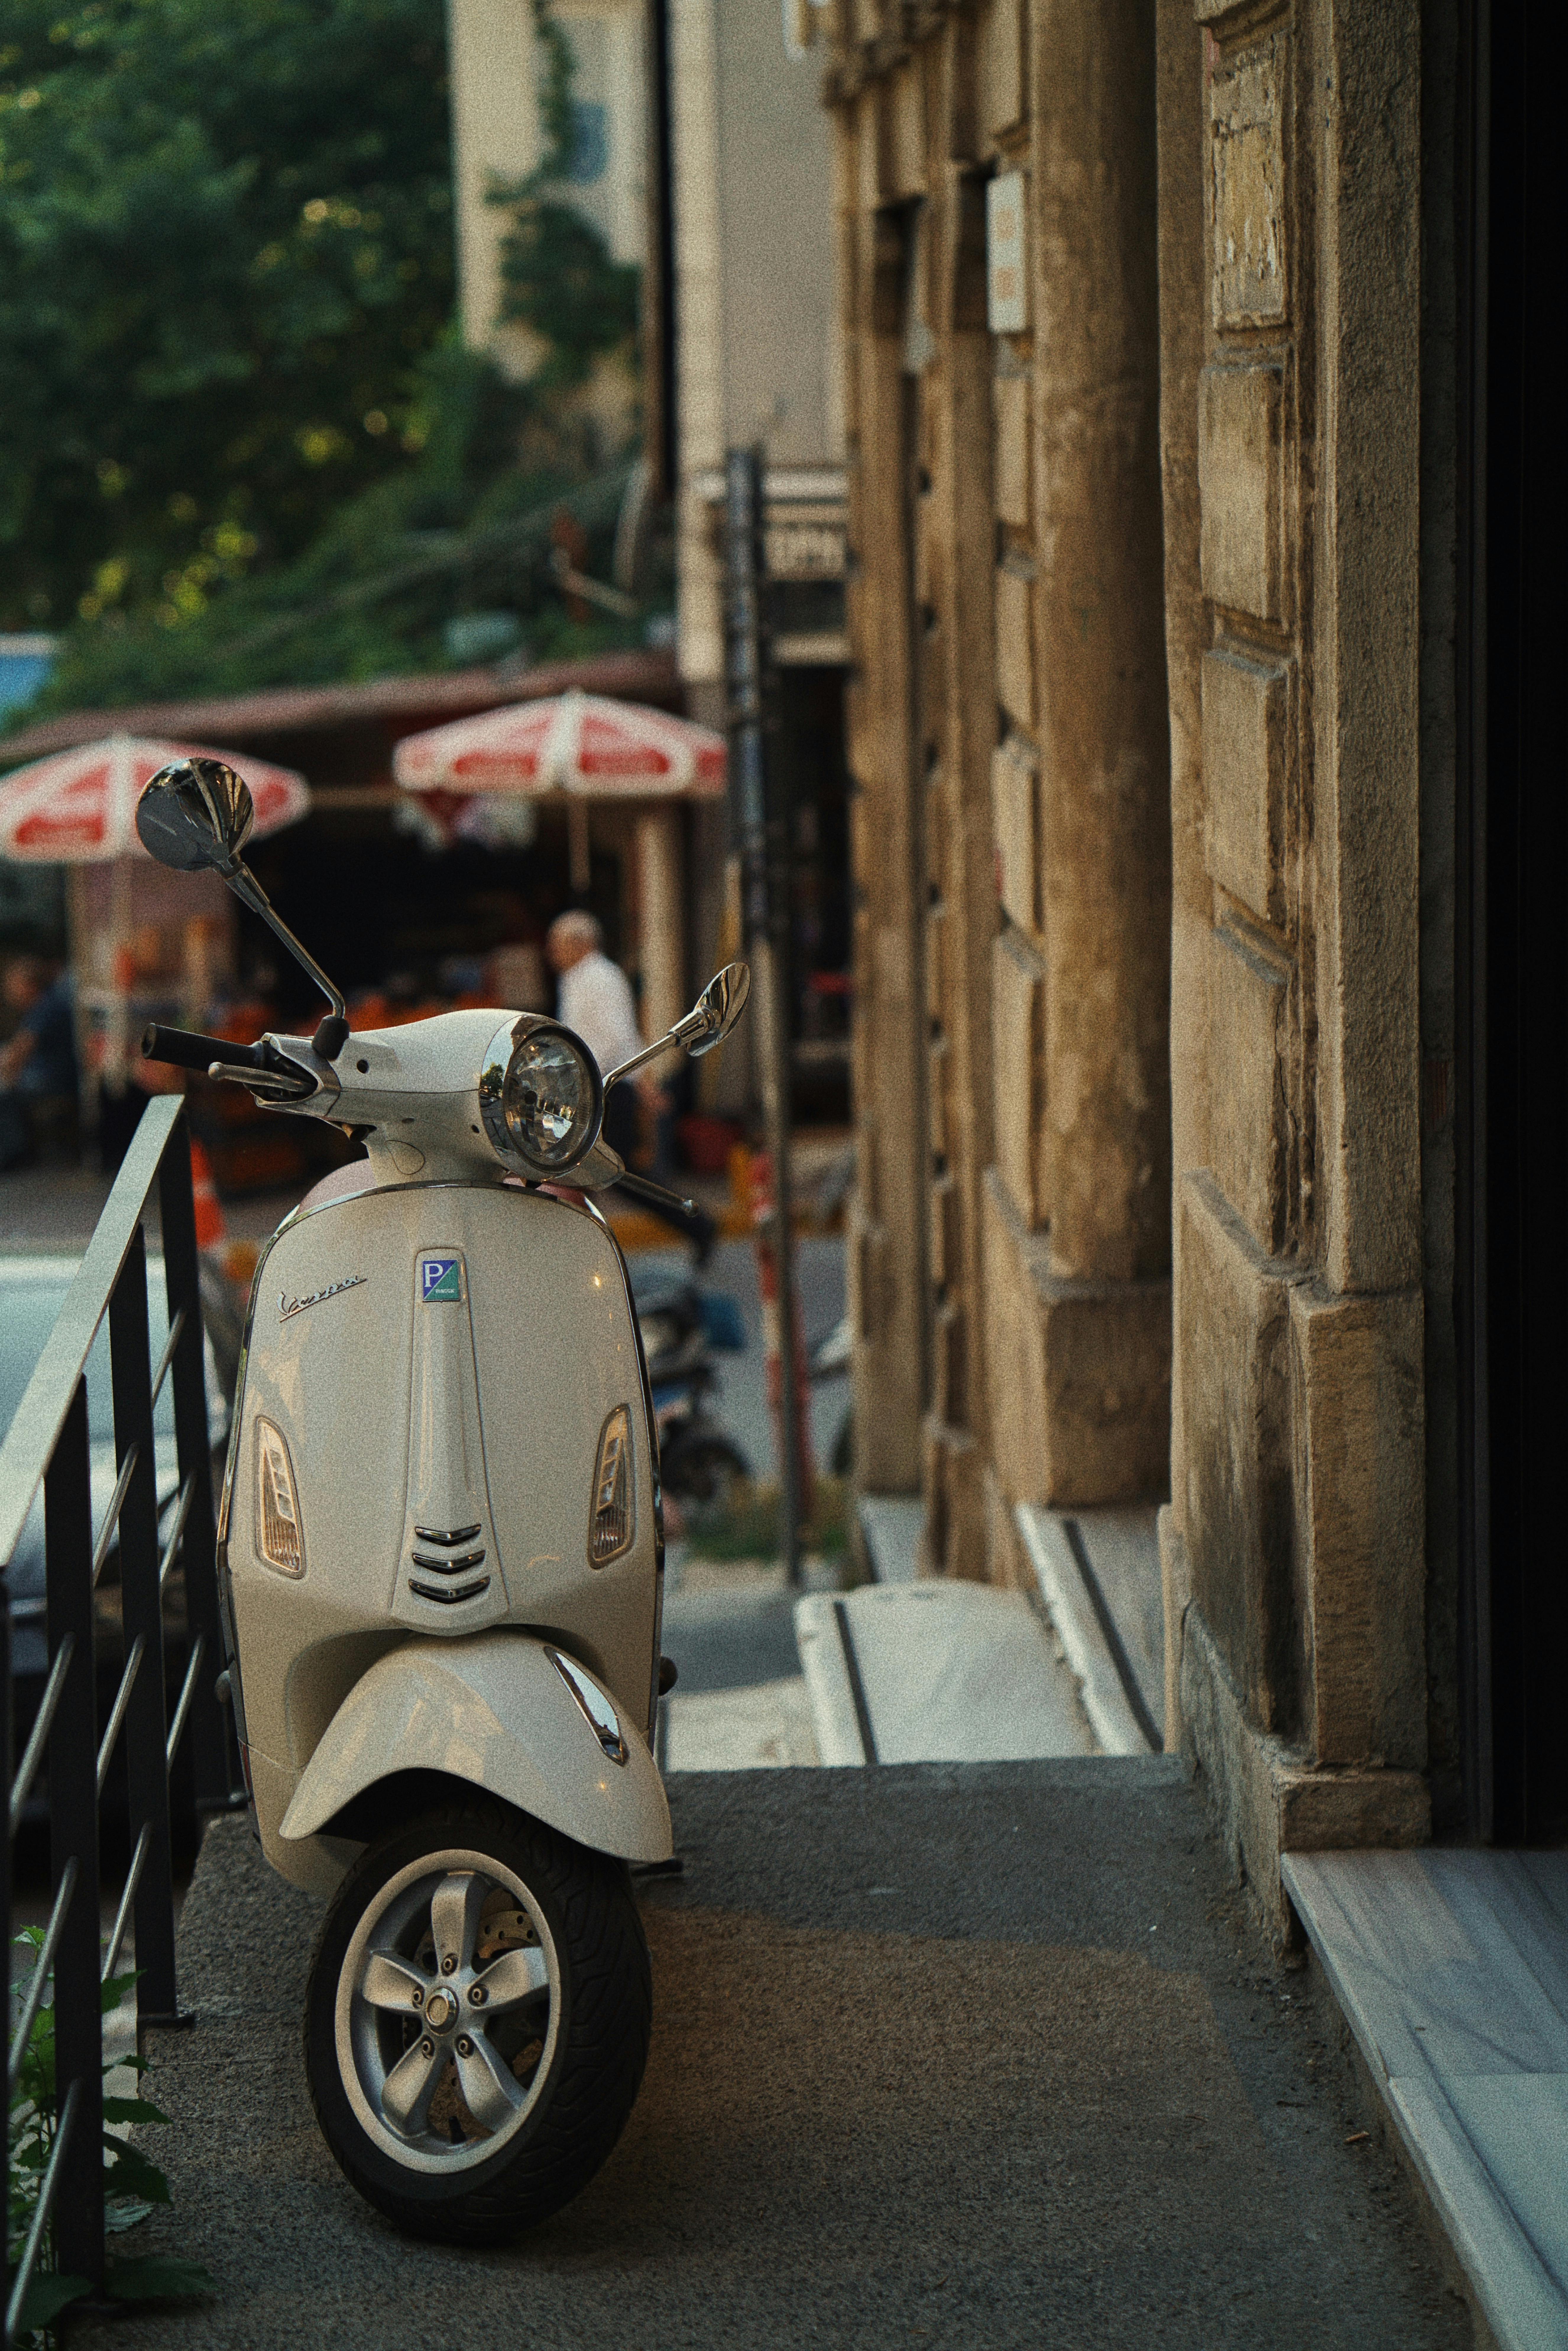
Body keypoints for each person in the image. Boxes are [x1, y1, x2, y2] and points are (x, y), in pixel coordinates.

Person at [545, 911, 715, 1262]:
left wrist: (637, 1086)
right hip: (595, 1089)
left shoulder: (600, 977)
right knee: (590, 1172)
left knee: (615, 1173)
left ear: (579, 942)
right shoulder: (578, 978)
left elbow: (617, 1039)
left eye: (558, 944)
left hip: (606, 1089)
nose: (553, 953)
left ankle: (696, 1223)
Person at [0, 955, 77, 1172]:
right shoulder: (48, 1004)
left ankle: (15, 1155)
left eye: (12, 985)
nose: (8, 993)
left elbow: (18, 1053)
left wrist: (8, 1071)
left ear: (28, 985)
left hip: (55, 1079)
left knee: (4, 1094)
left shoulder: (44, 1008)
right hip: (54, 1075)